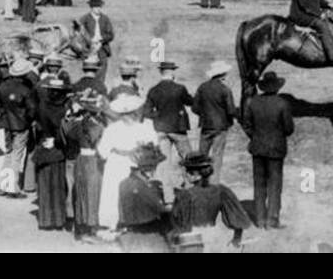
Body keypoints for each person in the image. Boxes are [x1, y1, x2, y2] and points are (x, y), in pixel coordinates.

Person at [96, 93, 158, 236]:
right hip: (136, 162)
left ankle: (113, 223)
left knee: (112, 192)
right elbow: (154, 145)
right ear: (135, 112)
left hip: (116, 161)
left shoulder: (111, 129)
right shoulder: (144, 128)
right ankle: (135, 220)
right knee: (134, 189)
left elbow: (102, 151)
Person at [170, 152, 252, 249]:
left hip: (190, 241)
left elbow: (177, 222)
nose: (186, 174)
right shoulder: (221, 191)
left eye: (190, 172)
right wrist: (236, 239)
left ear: (198, 176)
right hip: (212, 238)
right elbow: (238, 219)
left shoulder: (184, 195)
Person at [243, 71, 293, 229]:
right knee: (274, 185)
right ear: (277, 88)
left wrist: (255, 137)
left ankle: (260, 219)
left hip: (257, 148)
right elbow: (288, 129)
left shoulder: (253, 102)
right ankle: (272, 220)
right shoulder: (282, 104)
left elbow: (247, 125)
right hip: (276, 150)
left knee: (259, 185)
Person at [143, 59, 194, 199]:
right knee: (187, 159)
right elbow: (190, 102)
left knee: (164, 164)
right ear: (172, 72)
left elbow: (146, 112)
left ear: (161, 72)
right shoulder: (179, 88)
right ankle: (190, 189)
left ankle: (168, 196)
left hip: (161, 130)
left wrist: (158, 115)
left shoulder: (154, 90)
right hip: (178, 129)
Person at [0, 58, 39, 198]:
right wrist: (27, 119)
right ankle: (13, 188)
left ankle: (4, 186)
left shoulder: (2, 86)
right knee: (17, 156)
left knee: (8, 154)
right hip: (21, 126)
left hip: (6, 124)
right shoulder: (26, 89)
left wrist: (4, 113)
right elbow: (32, 109)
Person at [116, 143, 171, 250]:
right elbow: (159, 209)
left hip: (129, 230)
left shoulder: (124, 183)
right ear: (149, 171)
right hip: (147, 232)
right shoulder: (146, 187)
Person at [193, 59, 237, 182]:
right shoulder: (225, 89)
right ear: (223, 74)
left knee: (202, 156)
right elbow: (231, 111)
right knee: (217, 157)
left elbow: (195, 108)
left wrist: (204, 114)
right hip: (221, 127)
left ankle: (200, 181)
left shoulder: (202, 87)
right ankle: (214, 183)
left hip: (206, 126)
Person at [32, 134, 69, 231]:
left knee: (47, 188)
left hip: (47, 143)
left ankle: (47, 221)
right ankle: (57, 221)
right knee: (56, 188)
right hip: (54, 147)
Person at [79, 0, 114, 79]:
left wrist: (102, 39)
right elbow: (79, 34)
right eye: (96, 7)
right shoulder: (85, 19)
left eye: (99, 6)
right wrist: (89, 41)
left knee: (102, 70)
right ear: (91, 7)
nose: (98, 9)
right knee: (89, 70)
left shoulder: (105, 19)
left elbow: (111, 35)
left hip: (102, 47)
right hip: (89, 48)